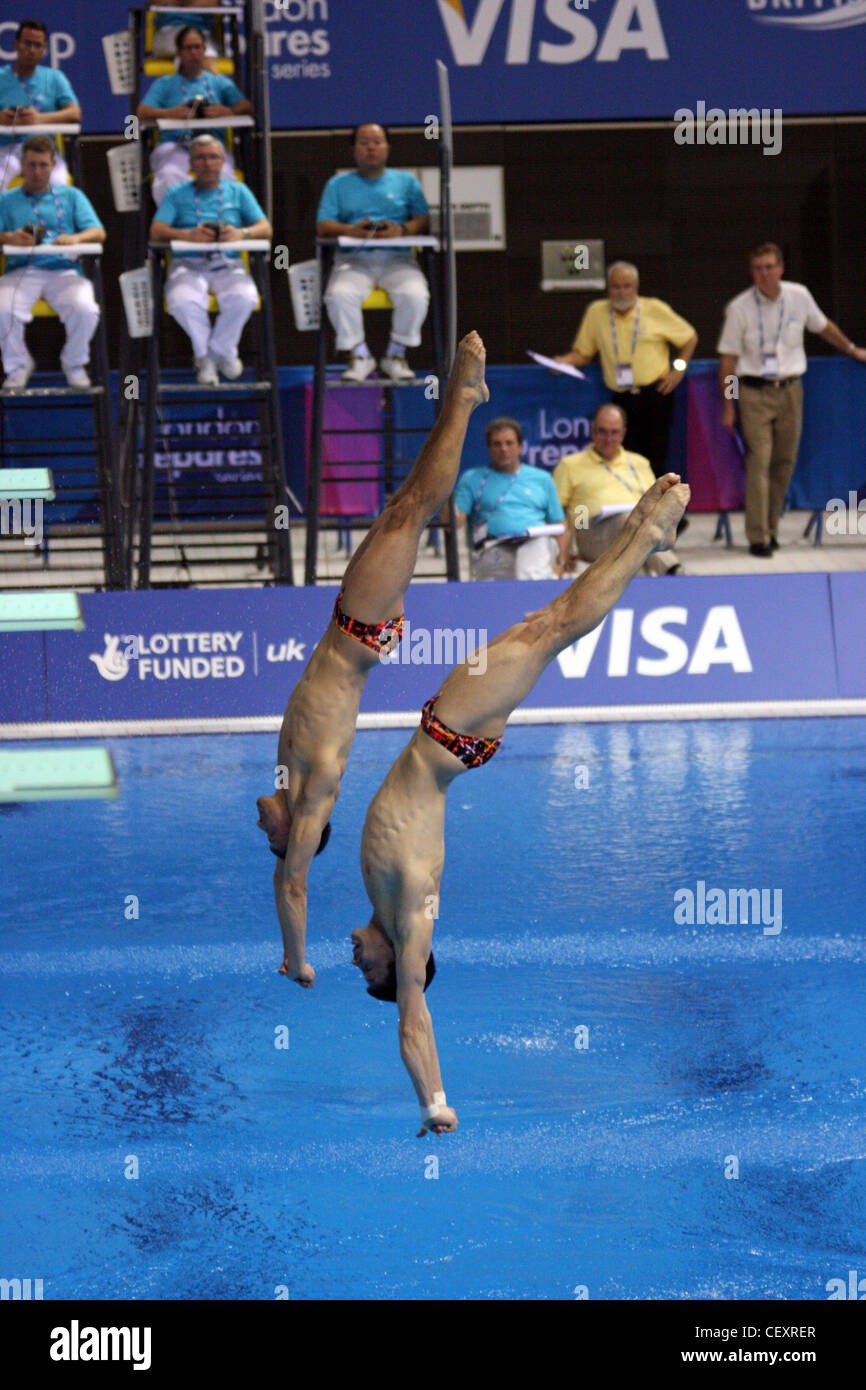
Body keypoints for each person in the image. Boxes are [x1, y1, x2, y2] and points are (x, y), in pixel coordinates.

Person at [353, 472, 689, 1134]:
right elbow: (413, 1015)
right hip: (453, 733)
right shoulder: (411, 922)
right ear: (400, 963)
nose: (356, 959)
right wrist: (433, 1101)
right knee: (555, 627)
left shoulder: (383, 900)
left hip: (451, 736)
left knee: (548, 621)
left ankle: (642, 530)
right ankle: (646, 535)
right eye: (368, 971)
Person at [255, 332, 490, 984]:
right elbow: (293, 884)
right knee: (413, 509)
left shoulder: (286, 777)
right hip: (362, 632)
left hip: (350, 625)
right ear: (292, 837)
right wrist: (297, 959)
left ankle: (461, 398)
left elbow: (286, 878)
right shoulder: (311, 800)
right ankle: (464, 398)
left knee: (403, 507)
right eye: (267, 836)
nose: (258, 821)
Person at [717, 241, 866, 556]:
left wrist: (852, 349)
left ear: (781, 269)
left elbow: (824, 327)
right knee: (759, 461)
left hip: (790, 390)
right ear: (752, 272)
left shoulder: (798, 296)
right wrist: (729, 404)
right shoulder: (739, 308)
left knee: (784, 463)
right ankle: (758, 536)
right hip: (754, 391)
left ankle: (772, 529)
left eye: (770, 267)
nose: (764, 274)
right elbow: (728, 360)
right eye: (758, 269)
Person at [552, 261, 697, 478]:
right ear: (608, 288)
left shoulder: (655, 308)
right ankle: (629, 507)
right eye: (616, 287)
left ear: (636, 287)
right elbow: (583, 353)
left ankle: (657, 509)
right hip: (622, 398)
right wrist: (562, 362)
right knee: (623, 458)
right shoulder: (596, 312)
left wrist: (678, 369)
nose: (621, 292)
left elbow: (689, 338)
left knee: (655, 458)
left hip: (655, 394)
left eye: (627, 286)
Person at [149, 134, 271, 385]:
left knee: (246, 297)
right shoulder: (175, 193)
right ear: (191, 164)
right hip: (188, 266)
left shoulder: (238, 191)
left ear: (223, 162)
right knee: (181, 301)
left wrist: (241, 233)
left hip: (228, 266)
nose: (207, 163)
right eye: (200, 158)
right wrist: (188, 235)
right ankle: (215, 356)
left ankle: (212, 354)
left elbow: (265, 228)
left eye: (213, 157)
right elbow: (156, 230)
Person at [316, 123, 431, 383]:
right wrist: (351, 230)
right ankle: (360, 355)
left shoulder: (407, 182)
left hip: (398, 259)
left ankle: (395, 355)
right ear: (353, 149)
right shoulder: (337, 184)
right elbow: (323, 226)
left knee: (415, 295)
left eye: (377, 142)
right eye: (364, 142)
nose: (371, 147)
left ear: (387, 147)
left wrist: (400, 229)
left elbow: (423, 220)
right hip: (353, 259)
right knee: (338, 295)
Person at [0, 135, 104, 390]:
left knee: (86, 309)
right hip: (21, 270)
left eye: (43, 165)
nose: (37, 171)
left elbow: (98, 232)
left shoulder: (72, 196)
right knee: (2, 308)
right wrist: (10, 237)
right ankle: (18, 365)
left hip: (64, 271)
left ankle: (74, 364)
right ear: (22, 165)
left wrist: (75, 238)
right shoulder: (5, 199)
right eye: (32, 165)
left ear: (54, 165)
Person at [553, 402, 682, 575]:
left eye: (614, 432)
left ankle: (650, 592)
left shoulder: (639, 463)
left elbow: (657, 503)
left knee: (635, 541)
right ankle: (673, 570)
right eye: (602, 431)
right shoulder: (570, 464)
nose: (608, 439)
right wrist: (564, 552)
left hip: (636, 530)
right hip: (588, 530)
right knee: (629, 523)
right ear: (592, 431)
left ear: (623, 434)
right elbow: (554, 512)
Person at [137, 26, 252, 207]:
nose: (194, 52)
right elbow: (141, 112)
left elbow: (246, 107)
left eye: (198, 47)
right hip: (176, 146)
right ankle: (181, 220)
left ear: (204, 49)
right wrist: (170, 114)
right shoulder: (165, 83)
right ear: (179, 52)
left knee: (225, 175)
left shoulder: (219, 82)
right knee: (168, 174)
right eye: (188, 48)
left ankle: (221, 222)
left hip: (212, 146)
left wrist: (227, 112)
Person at [446, 417, 568, 579]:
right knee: (496, 585)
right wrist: (442, 487)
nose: (503, 449)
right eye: (497, 444)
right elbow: (452, 523)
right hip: (492, 546)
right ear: (488, 448)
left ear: (520, 446)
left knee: (531, 564)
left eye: (509, 443)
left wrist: (561, 563)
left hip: (535, 543)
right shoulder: (472, 478)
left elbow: (560, 525)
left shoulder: (542, 479)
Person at [0, 19, 81, 191]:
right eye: (27, 43)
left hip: (43, 149)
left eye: (37, 45)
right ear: (16, 44)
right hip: (6, 150)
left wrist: (38, 119)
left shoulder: (55, 77)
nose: (31, 50)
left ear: (44, 49)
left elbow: (74, 113)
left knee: (60, 184)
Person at [150, 1, 221, 70]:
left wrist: (180, 3)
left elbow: (214, 2)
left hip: (203, 32)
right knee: (193, 50)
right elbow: (153, 1)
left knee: (200, 52)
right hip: (168, 31)